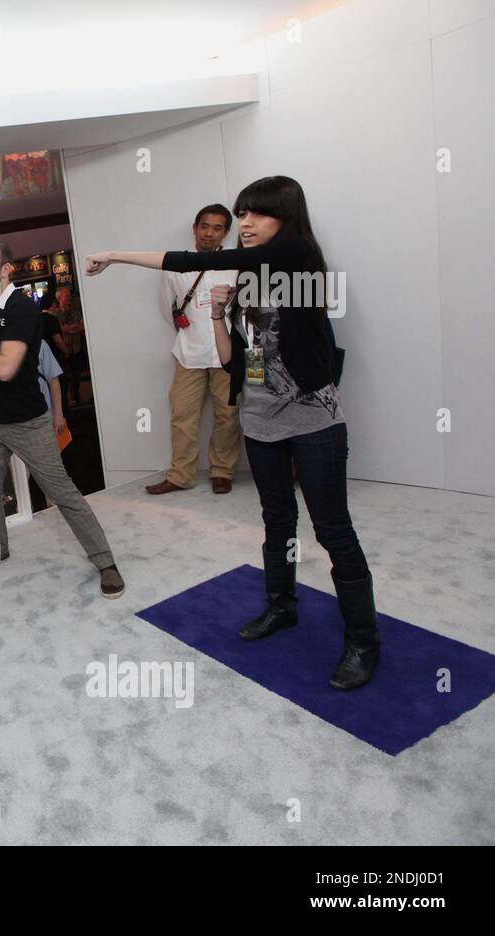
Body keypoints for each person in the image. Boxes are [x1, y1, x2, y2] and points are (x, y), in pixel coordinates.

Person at [84, 175, 379, 690]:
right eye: (242, 215)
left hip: (312, 419)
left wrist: (115, 253)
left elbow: (192, 261)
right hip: (262, 417)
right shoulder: (249, 273)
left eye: (256, 214)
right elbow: (240, 356)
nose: (245, 224)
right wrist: (221, 315)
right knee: (275, 519)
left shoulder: (297, 257)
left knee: (333, 531)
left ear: (285, 218)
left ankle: (362, 642)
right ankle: (281, 606)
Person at [0, 238, 124, 597]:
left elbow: (6, 368)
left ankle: (105, 562)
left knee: (62, 492)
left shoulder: (21, 308)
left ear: (6, 270)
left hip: (27, 422)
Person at [145, 204, 242, 496]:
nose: (209, 233)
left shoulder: (237, 263)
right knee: (183, 414)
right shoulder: (175, 264)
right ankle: (181, 475)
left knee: (228, 414)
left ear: (226, 232)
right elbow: (167, 309)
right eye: (205, 226)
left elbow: (243, 309)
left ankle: (222, 472)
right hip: (188, 352)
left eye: (217, 228)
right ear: (195, 228)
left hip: (227, 353)